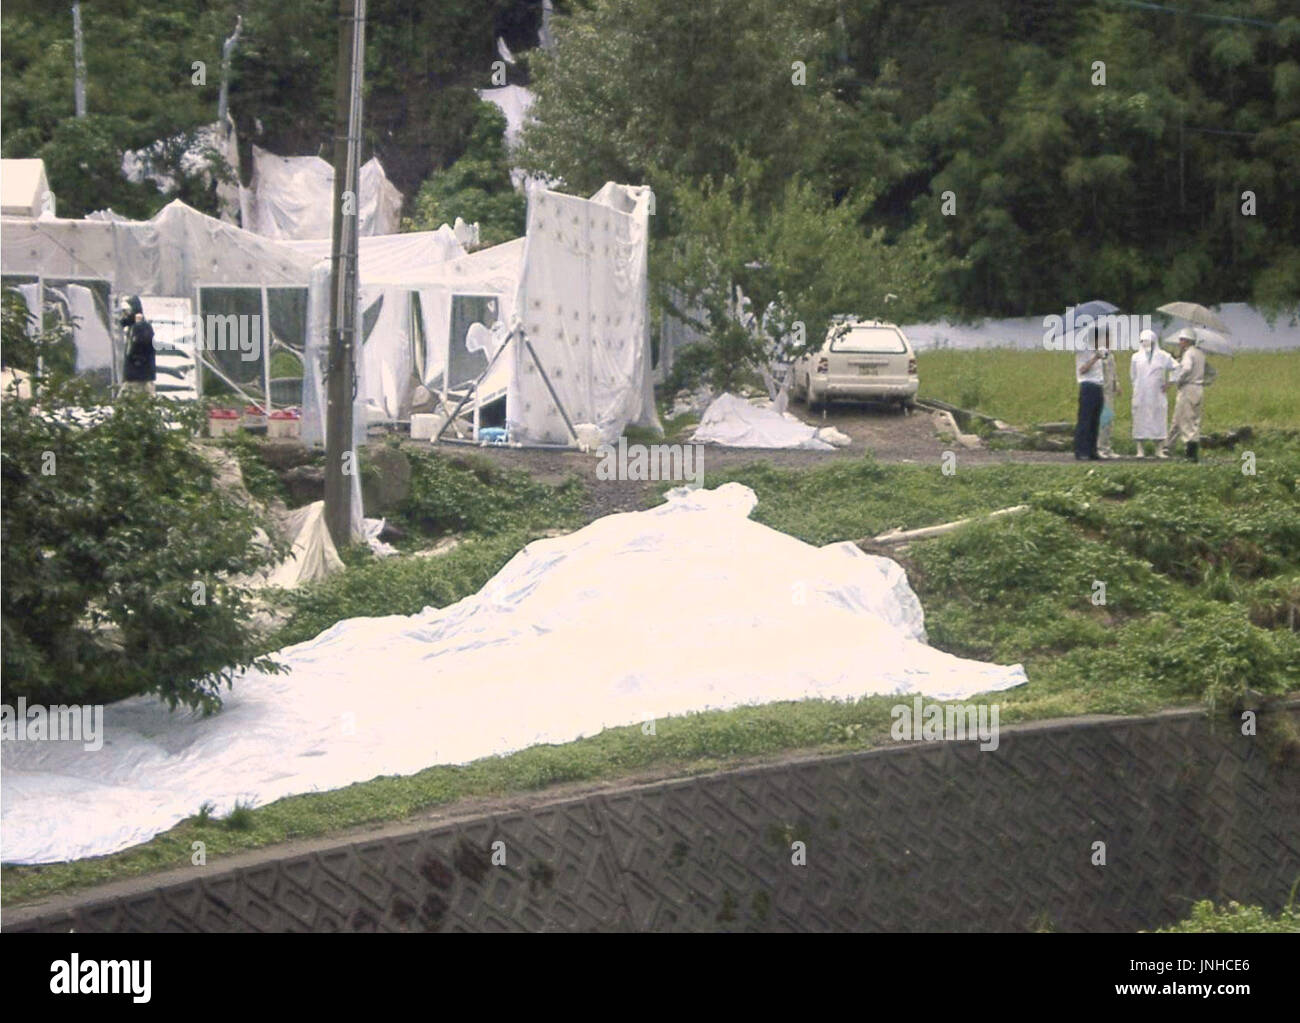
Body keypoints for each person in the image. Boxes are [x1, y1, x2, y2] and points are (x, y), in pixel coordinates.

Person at [1129, 328, 1177, 458]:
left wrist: (1170, 383)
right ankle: (1140, 449)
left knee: (1158, 419)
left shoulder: (1163, 356)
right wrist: (1137, 388)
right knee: (1140, 420)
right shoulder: (1135, 357)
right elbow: (1133, 375)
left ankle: (1159, 449)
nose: (1146, 344)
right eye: (1143, 341)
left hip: (1157, 394)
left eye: (1148, 341)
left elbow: (1177, 368)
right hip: (1141, 393)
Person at [1162, 328, 1206, 461]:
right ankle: (1168, 447)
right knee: (1182, 418)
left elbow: (1186, 368)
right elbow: (1210, 371)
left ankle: (1191, 454)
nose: (1179, 342)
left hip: (1188, 388)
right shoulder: (1200, 353)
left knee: (1186, 421)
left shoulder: (1189, 354)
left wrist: (1174, 379)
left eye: (1181, 340)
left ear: (1187, 341)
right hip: (1198, 388)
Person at [1073, 326, 1105, 461]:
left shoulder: (1097, 351)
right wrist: (1095, 358)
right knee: (1085, 419)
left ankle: (1092, 450)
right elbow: (1082, 369)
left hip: (1098, 385)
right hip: (1087, 385)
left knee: (1095, 420)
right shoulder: (1083, 351)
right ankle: (1081, 450)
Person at [118, 295, 155, 395]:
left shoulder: (141, 327)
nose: (124, 315)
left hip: (138, 378)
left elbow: (142, 345)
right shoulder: (133, 328)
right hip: (134, 377)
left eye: (126, 311)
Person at [1096, 328, 1122, 458]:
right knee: (1103, 420)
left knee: (1109, 420)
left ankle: (1107, 447)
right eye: (1105, 338)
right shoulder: (1099, 355)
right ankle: (1100, 447)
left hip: (1109, 391)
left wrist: (1117, 384)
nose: (1108, 341)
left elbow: (1113, 372)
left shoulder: (1110, 355)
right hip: (1101, 391)